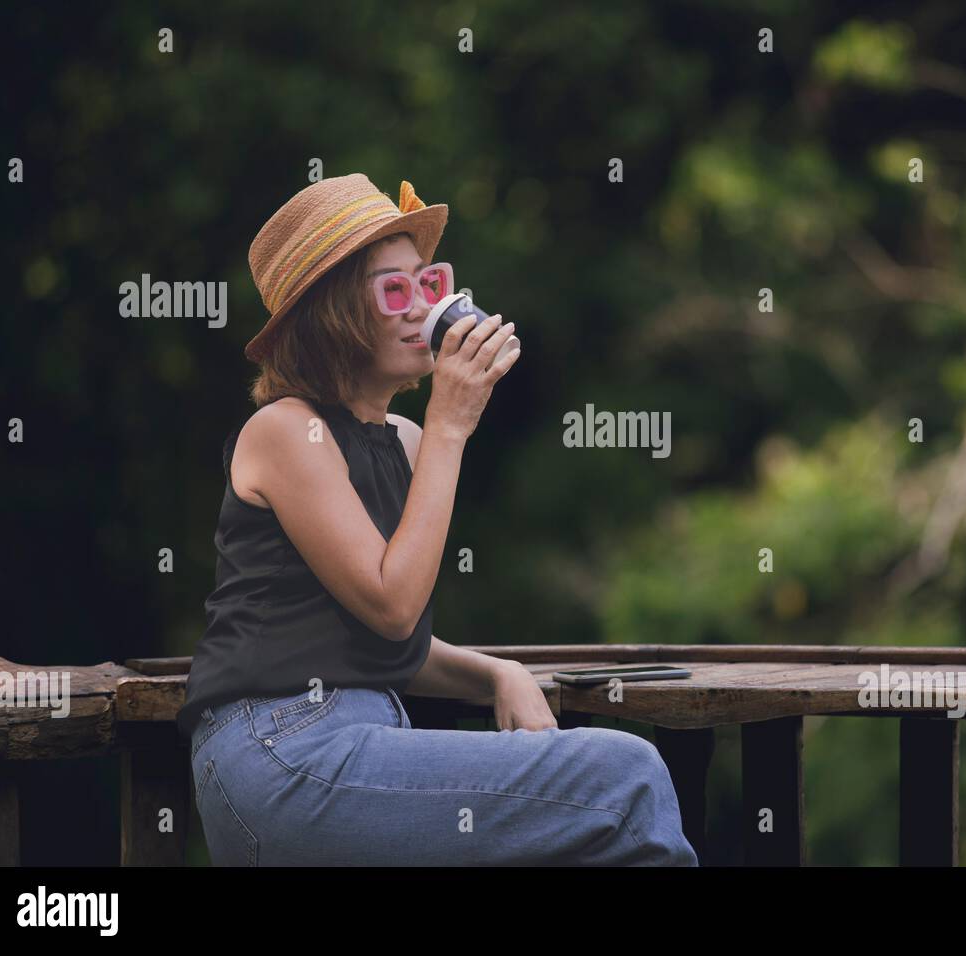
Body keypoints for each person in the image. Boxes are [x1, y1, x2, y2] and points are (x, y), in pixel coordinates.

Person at [175, 173, 697, 866]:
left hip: (361, 740)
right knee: (625, 780)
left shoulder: (406, 440)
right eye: (394, 290)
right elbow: (393, 607)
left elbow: (387, 644)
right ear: (332, 315)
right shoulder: (284, 431)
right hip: (282, 749)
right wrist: (450, 425)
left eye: (429, 284)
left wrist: (495, 675)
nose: (424, 307)